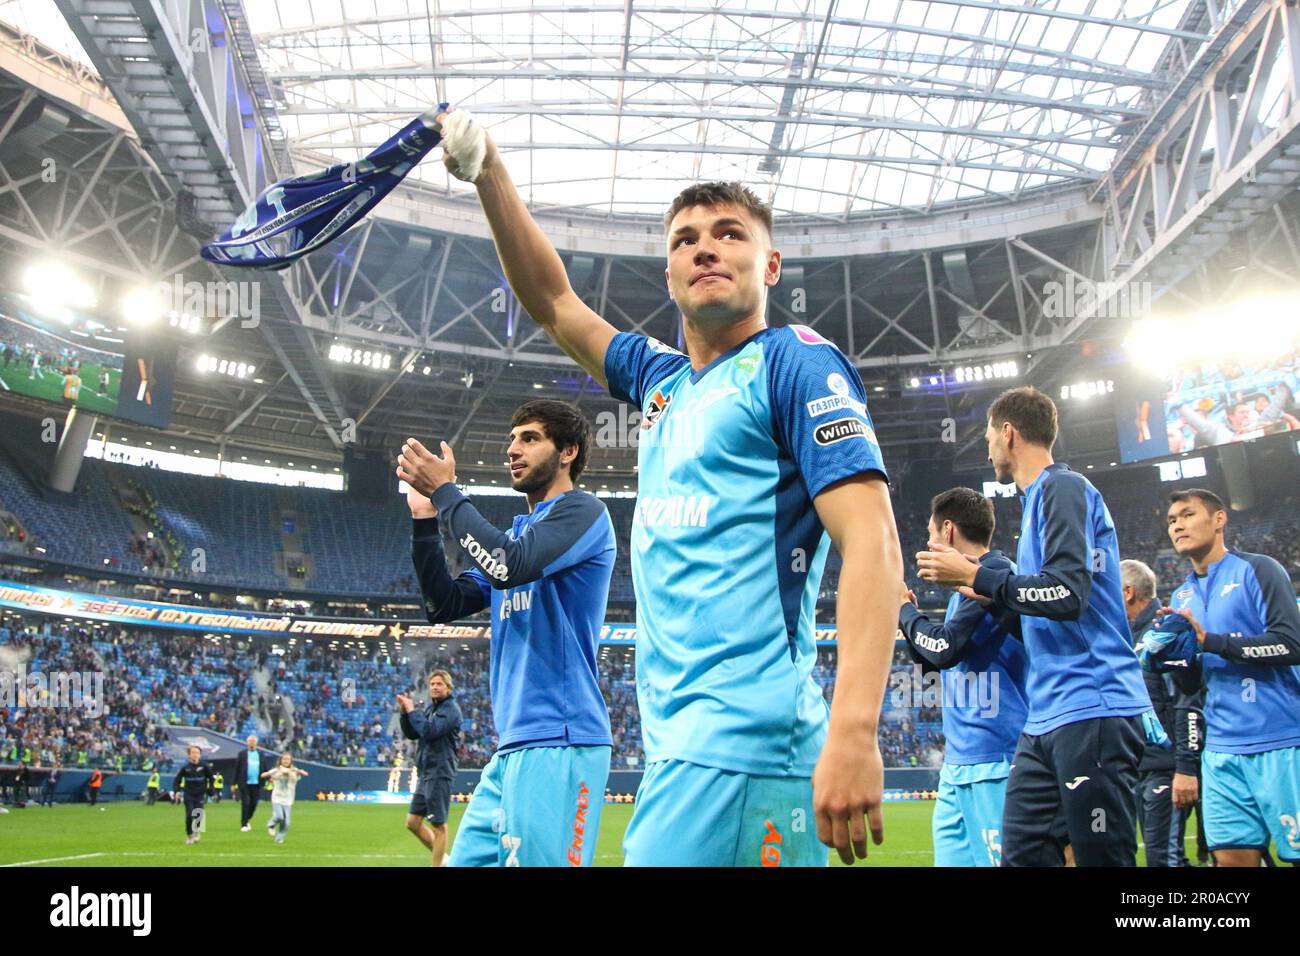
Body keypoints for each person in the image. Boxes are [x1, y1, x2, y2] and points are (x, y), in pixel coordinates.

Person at [437, 109, 902, 866]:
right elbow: (554, 304)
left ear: (771, 266)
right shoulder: (663, 383)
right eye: (685, 239)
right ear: (669, 275)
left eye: (729, 233)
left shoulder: (796, 363)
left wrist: (856, 729)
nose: (705, 248)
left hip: (746, 745)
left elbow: (874, 543)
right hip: (682, 748)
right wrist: (489, 170)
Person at [917, 386, 1156, 866]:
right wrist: (991, 596)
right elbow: (1039, 620)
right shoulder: (1034, 509)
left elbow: (1068, 593)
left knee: (1100, 858)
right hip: (1045, 719)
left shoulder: (1062, 488)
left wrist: (978, 576)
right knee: (1023, 855)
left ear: (1008, 434)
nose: (986, 447)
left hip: (1092, 705)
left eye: (987, 435)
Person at [399, 399, 617, 867]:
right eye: (512, 439)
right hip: (512, 747)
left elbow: (506, 566)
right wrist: (423, 520)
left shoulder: (583, 514)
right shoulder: (519, 534)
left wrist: (447, 494)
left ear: (568, 452)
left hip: (562, 740)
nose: (513, 449)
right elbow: (444, 604)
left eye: (530, 438)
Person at [1155, 488, 1300, 866]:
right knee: (1231, 860)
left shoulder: (1259, 569)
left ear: (1219, 519)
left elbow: (1290, 644)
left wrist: (1212, 642)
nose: (1178, 526)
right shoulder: (1182, 596)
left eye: (1187, 515)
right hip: (1220, 751)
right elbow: (1194, 686)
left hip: (1281, 741)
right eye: (1172, 521)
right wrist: (1172, 661)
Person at [897, 488, 1029, 867]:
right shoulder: (964, 588)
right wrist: (911, 624)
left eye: (930, 533)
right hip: (960, 763)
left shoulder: (996, 574)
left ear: (949, 530)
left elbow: (943, 649)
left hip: (996, 757)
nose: (927, 542)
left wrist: (906, 613)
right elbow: (935, 663)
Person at [1120, 558, 1204, 867]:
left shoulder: (1165, 630)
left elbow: (1187, 701)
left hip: (1167, 767)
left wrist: (1184, 767)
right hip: (1142, 765)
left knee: (1165, 860)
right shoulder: (1132, 636)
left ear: (1128, 592)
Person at [396, 672, 462, 866]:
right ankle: (446, 861)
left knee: (439, 825)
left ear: (448, 688)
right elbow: (413, 734)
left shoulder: (450, 709)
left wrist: (412, 710)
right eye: (432, 684)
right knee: (412, 822)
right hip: (426, 773)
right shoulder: (432, 709)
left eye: (439, 684)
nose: (434, 687)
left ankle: (438, 864)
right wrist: (404, 714)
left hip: (439, 772)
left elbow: (429, 731)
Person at [260, 753, 308, 845]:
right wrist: (271, 773)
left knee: (286, 823)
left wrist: (299, 771)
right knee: (279, 816)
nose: (286, 761)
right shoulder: (276, 770)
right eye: (284, 759)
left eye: (287, 759)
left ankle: (279, 838)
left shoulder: (294, 770)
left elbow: (306, 774)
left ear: (291, 761)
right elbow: (263, 775)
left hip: (288, 799)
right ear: (280, 761)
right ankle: (271, 824)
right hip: (277, 798)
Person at [173, 745, 214, 845]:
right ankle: (190, 835)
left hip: (200, 794)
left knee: (199, 814)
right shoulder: (185, 768)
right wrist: (177, 791)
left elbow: (211, 778)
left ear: (200, 755)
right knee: (189, 815)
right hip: (188, 794)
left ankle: (197, 832)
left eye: (197, 753)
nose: (195, 754)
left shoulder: (204, 766)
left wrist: (210, 789)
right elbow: (176, 781)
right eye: (193, 752)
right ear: (189, 755)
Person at [234, 735, 268, 831]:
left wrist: (268, 777)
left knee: (254, 803)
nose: (252, 743)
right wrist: (234, 783)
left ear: (256, 743)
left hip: (257, 783)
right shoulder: (242, 754)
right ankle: (243, 824)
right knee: (245, 802)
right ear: (247, 743)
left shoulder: (260, 754)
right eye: (250, 741)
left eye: (253, 741)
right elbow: (237, 768)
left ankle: (247, 819)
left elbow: (264, 767)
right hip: (244, 782)